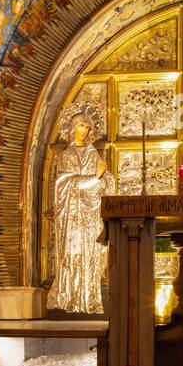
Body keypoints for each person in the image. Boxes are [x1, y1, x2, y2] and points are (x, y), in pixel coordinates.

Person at [46, 106, 114, 315]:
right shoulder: (66, 156)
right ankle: (70, 297)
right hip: (72, 216)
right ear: (72, 128)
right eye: (80, 126)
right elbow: (65, 183)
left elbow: (107, 181)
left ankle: (90, 298)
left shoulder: (93, 156)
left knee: (91, 254)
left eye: (86, 126)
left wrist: (102, 179)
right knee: (73, 253)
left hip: (91, 214)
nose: (83, 130)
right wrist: (94, 179)